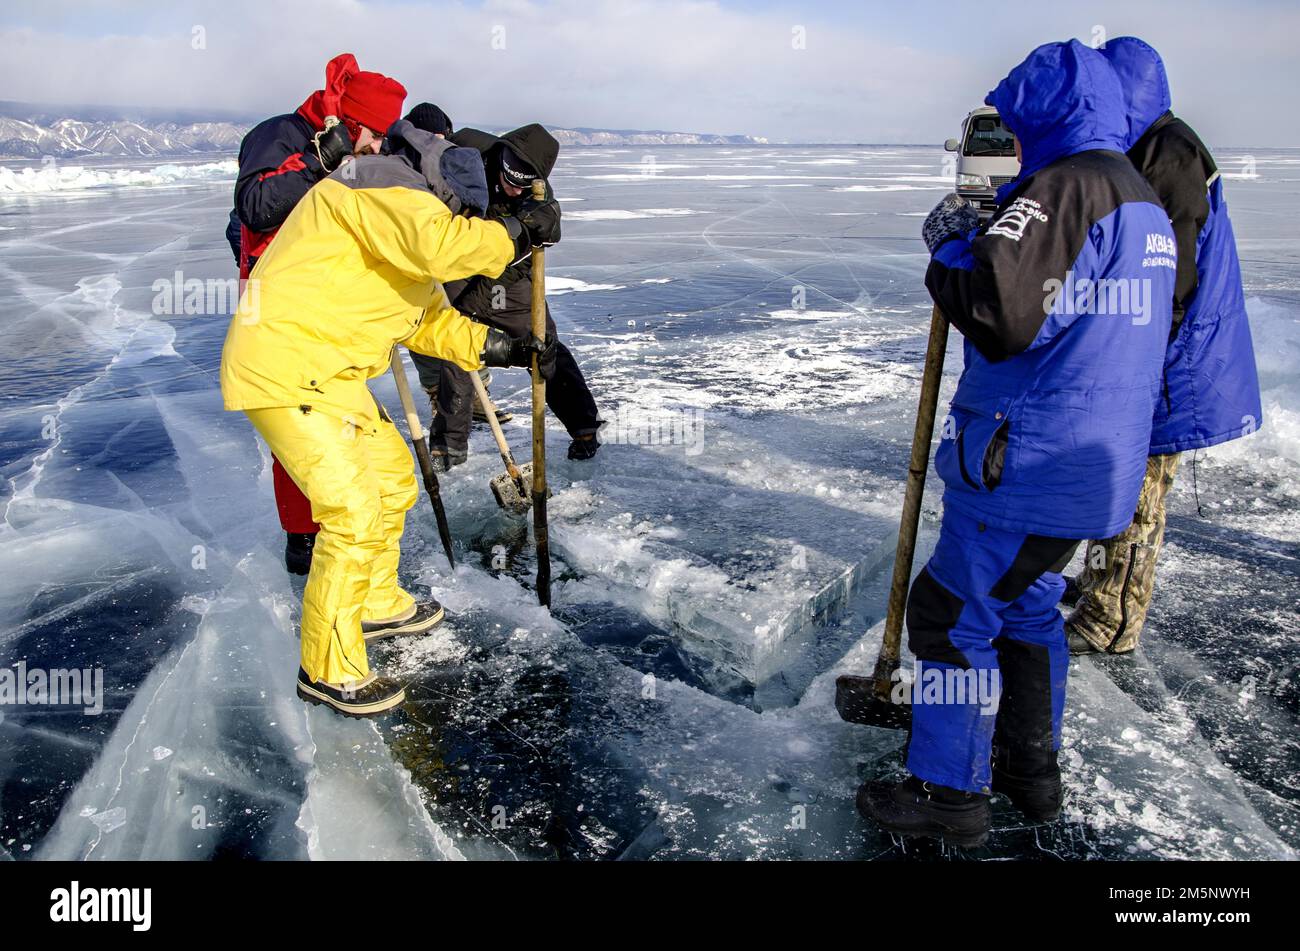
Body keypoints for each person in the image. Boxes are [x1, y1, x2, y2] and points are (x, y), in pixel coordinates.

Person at [857, 40, 1177, 846]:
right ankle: (1032, 773)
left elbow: (1003, 312)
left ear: (1039, 113)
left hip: (1025, 460)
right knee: (1029, 608)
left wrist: (954, 244)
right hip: (1082, 466)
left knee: (950, 615)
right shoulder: (1136, 194)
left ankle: (946, 794)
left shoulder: (1065, 187)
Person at [221, 119, 561, 716]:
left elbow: (428, 319)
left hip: (333, 375)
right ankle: (326, 669)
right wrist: (515, 233)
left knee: (394, 479)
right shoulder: (379, 187)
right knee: (350, 514)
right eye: (460, 217)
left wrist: (508, 349)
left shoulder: (402, 233)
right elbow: (448, 246)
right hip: (284, 367)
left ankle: (375, 602)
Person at [1061, 37, 1263, 656]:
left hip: (1174, 358)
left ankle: (1113, 619)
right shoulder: (1154, 144)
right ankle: (1102, 583)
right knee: (1118, 479)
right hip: (1160, 348)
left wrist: (1142, 350)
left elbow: (1173, 269)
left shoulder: (1170, 153)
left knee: (1139, 486)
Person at [226, 53, 407, 576]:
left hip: (327, 298)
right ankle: (304, 543)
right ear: (348, 122)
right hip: (278, 308)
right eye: (372, 133)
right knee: (298, 414)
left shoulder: (358, 148)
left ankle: (342, 526)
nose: (377, 145)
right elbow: (255, 207)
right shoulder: (281, 135)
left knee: (338, 406)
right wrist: (317, 162)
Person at [404, 120, 603, 470]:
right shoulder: (467, 153)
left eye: (522, 186)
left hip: (508, 275)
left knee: (542, 345)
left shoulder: (538, 200)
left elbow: (513, 260)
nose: (513, 191)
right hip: (459, 258)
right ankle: (448, 446)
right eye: (509, 181)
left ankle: (584, 426)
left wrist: (472, 306)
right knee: (456, 346)